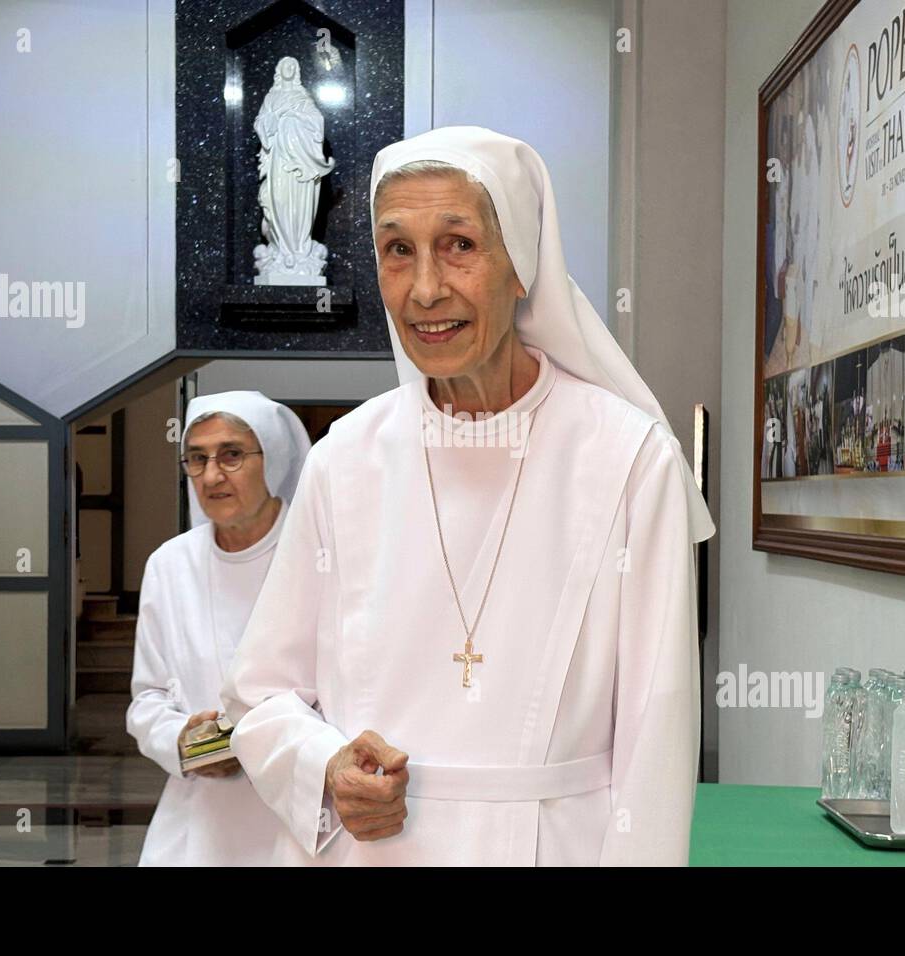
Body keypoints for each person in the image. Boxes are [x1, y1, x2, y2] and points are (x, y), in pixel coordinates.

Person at [221, 126, 716, 866]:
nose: (425, 290)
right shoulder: (345, 460)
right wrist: (324, 765)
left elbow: (658, 734)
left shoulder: (629, 458)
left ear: (522, 264)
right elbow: (258, 695)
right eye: (398, 250)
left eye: (458, 245)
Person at [126, 391, 310, 865]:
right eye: (197, 458)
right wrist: (184, 743)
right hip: (199, 825)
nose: (211, 475)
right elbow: (147, 700)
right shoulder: (169, 565)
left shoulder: (319, 555)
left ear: (273, 457)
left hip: (301, 814)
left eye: (231, 455)